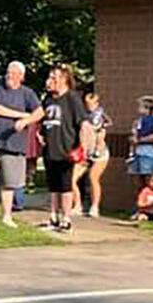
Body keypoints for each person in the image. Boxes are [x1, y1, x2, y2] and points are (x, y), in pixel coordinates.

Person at [0, 61, 43, 230]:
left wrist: (27, 120)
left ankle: (7, 216)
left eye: (13, 73)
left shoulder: (27, 93)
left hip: (14, 145)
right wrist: (21, 114)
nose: (9, 76)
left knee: (9, 183)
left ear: (21, 76)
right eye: (8, 72)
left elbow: (40, 112)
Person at [39, 65, 90, 233]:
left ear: (64, 80)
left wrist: (83, 147)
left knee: (65, 186)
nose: (50, 81)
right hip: (50, 149)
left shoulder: (72, 98)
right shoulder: (48, 99)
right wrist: (39, 135)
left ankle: (66, 219)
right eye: (50, 77)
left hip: (67, 150)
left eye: (54, 77)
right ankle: (53, 217)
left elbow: (83, 124)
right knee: (53, 186)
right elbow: (42, 120)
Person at [72, 93, 111, 217]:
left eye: (92, 104)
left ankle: (95, 207)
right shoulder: (83, 116)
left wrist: (97, 143)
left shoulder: (101, 117)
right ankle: (77, 205)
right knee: (72, 179)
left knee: (93, 177)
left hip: (99, 153)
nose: (89, 106)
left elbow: (102, 133)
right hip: (85, 152)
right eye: (87, 104)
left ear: (97, 104)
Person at [127, 95, 153, 191]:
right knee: (136, 180)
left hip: (149, 154)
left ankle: (152, 202)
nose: (138, 109)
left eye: (140, 106)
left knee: (149, 180)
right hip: (137, 153)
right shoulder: (140, 120)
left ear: (148, 108)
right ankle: (142, 201)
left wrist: (140, 140)